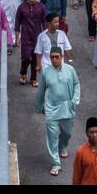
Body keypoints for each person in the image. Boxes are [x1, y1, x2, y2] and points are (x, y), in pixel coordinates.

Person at [35, 44, 81, 176]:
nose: (54, 59)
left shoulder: (70, 70)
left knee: (67, 133)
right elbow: (41, 90)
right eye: (52, 57)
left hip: (67, 107)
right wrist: (39, 106)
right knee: (52, 137)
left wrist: (75, 100)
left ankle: (63, 146)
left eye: (56, 57)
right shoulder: (46, 72)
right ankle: (55, 163)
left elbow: (76, 84)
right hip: (51, 110)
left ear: (61, 57)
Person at [15, 0, 47, 86]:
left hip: (37, 36)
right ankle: (23, 72)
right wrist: (17, 38)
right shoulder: (21, 7)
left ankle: (33, 78)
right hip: (25, 36)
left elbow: (44, 22)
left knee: (34, 57)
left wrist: (46, 37)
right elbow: (17, 23)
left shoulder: (41, 6)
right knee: (26, 57)